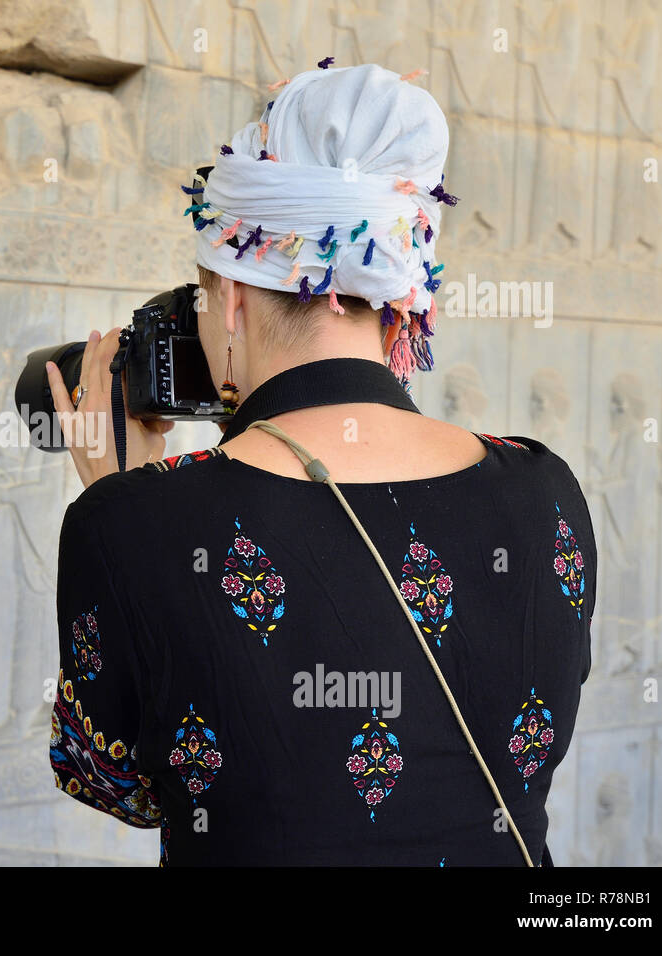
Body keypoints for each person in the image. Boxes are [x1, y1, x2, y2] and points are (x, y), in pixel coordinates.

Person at [45, 63, 596, 866]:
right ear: (400, 301)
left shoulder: (133, 521)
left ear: (232, 297)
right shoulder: (545, 488)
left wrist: (119, 501)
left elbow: (112, 779)